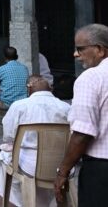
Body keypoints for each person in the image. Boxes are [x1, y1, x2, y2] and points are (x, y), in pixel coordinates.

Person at [0, 75, 69, 207]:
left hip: (28, 166)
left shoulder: (19, 106)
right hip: (60, 165)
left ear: (29, 88)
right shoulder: (66, 107)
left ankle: (25, 202)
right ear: (50, 89)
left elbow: (8, 136)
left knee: (4, 156)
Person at [55, 23, 108, 205]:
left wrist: (63, 172)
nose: (76, 54)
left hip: (101, 170)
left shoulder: (91, 77)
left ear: (100, 49)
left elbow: (82, 133)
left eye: (80, 49)